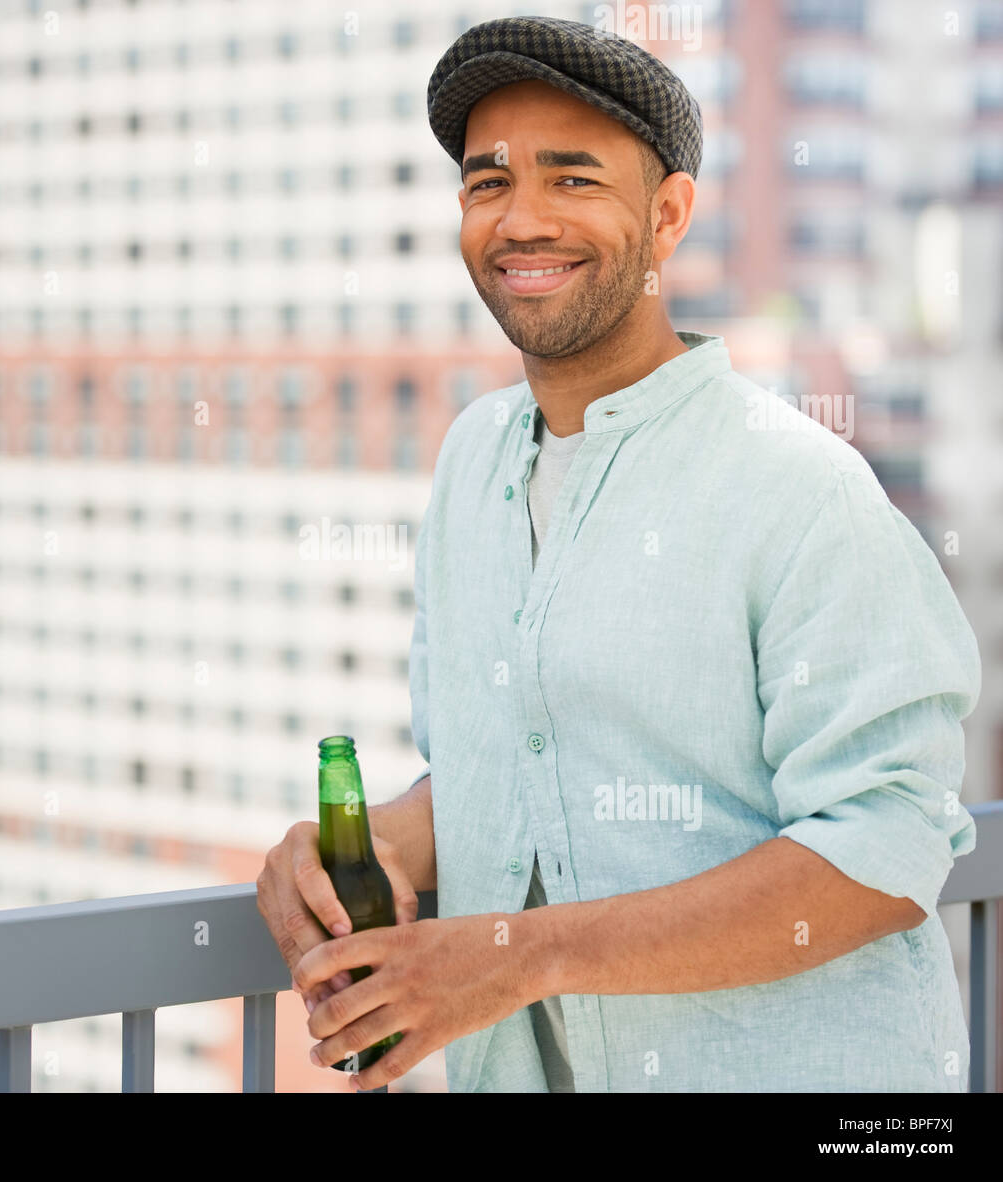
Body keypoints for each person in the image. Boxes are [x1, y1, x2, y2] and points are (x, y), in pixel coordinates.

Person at [257, 16, 981, 1093]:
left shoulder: (799, 489)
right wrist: (365, 847)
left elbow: (882, 853)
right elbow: (507, 768)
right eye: (486, 182)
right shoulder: (469, 465)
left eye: (573, 178)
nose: (522, 220)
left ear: (669, 214)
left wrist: (518, 961)